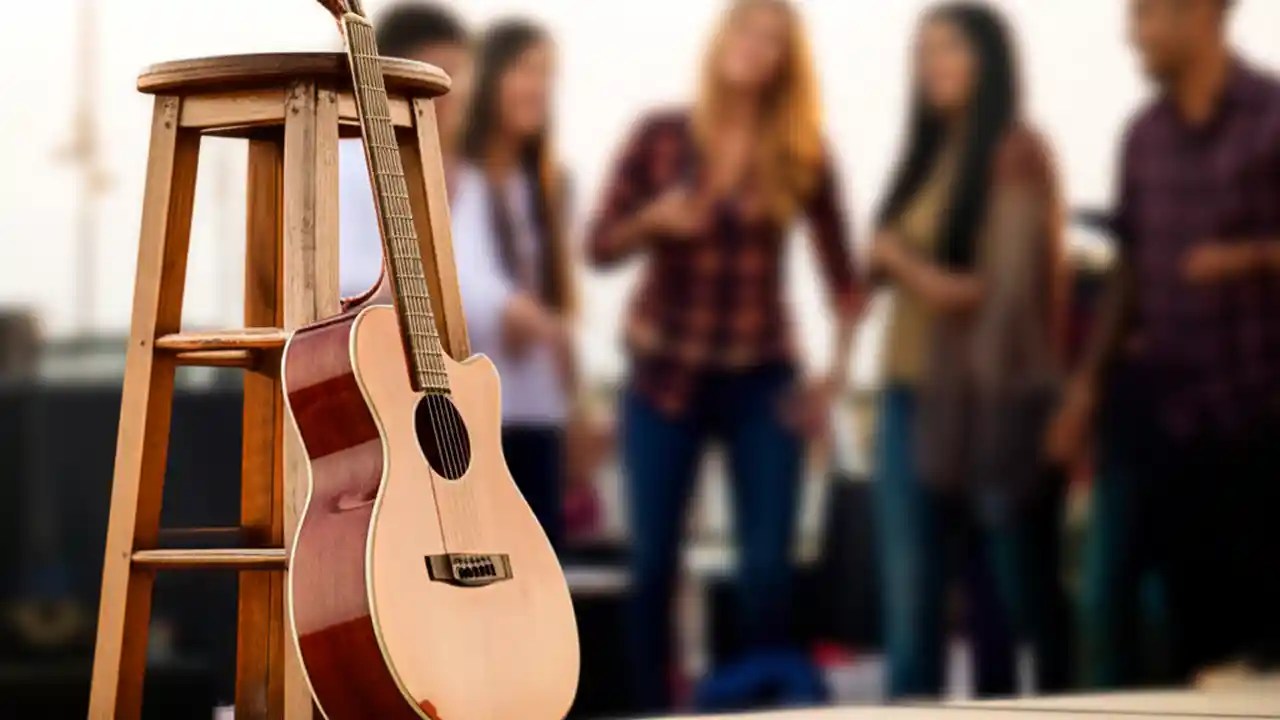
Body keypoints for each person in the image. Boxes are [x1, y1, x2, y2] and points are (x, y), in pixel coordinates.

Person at [586, 0, 863, 710]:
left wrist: (832, 379)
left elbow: (845, 281)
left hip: (761, 379)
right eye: (746, 29)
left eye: (773, 40)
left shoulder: (802, 152)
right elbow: (599, 244)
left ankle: (750, 702)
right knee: (653, 566)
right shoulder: (661, 137)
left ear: (784, 64)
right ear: (722, 41)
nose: (755, 46)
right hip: (663, 378)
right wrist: (653, 221)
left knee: (767, 568)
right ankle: (654, 706)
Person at [1048, 0, 1280, 686]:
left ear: (1202, 13)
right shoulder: (1141, 138)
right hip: (1175, 434)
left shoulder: (1271, 119)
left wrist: (1248, 260)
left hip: (1263, 427)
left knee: (1267, 650)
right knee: (1194, 648)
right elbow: (1127, 272)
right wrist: (1085, 391)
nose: (1132, 35)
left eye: (1147, 15)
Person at [870, 2, 1070, 699]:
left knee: (1006, 614)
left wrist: (898, 259)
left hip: (979, 411)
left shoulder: (1016, 152)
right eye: (923, 51)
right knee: (910, 615)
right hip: (904, 394)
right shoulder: (927, 154)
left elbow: (995, 292)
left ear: (989, 57)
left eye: (950, 46)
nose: (934, 64)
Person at [451, 19, 575, 549]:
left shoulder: (552, 187)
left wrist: (576, 406)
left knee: (540, 575)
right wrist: (510, 309)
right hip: (468, 409)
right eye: (526, 70)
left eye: (547, 74)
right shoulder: (450, 175)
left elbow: (560, 306)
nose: (538, 87)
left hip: (536, 410)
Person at [340, 2, 474, 299]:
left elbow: (484, 284)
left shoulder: (470, 179)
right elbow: (341, 281)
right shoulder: (347, 166)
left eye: (461, 76)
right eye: (441, 76)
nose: (456, 94)